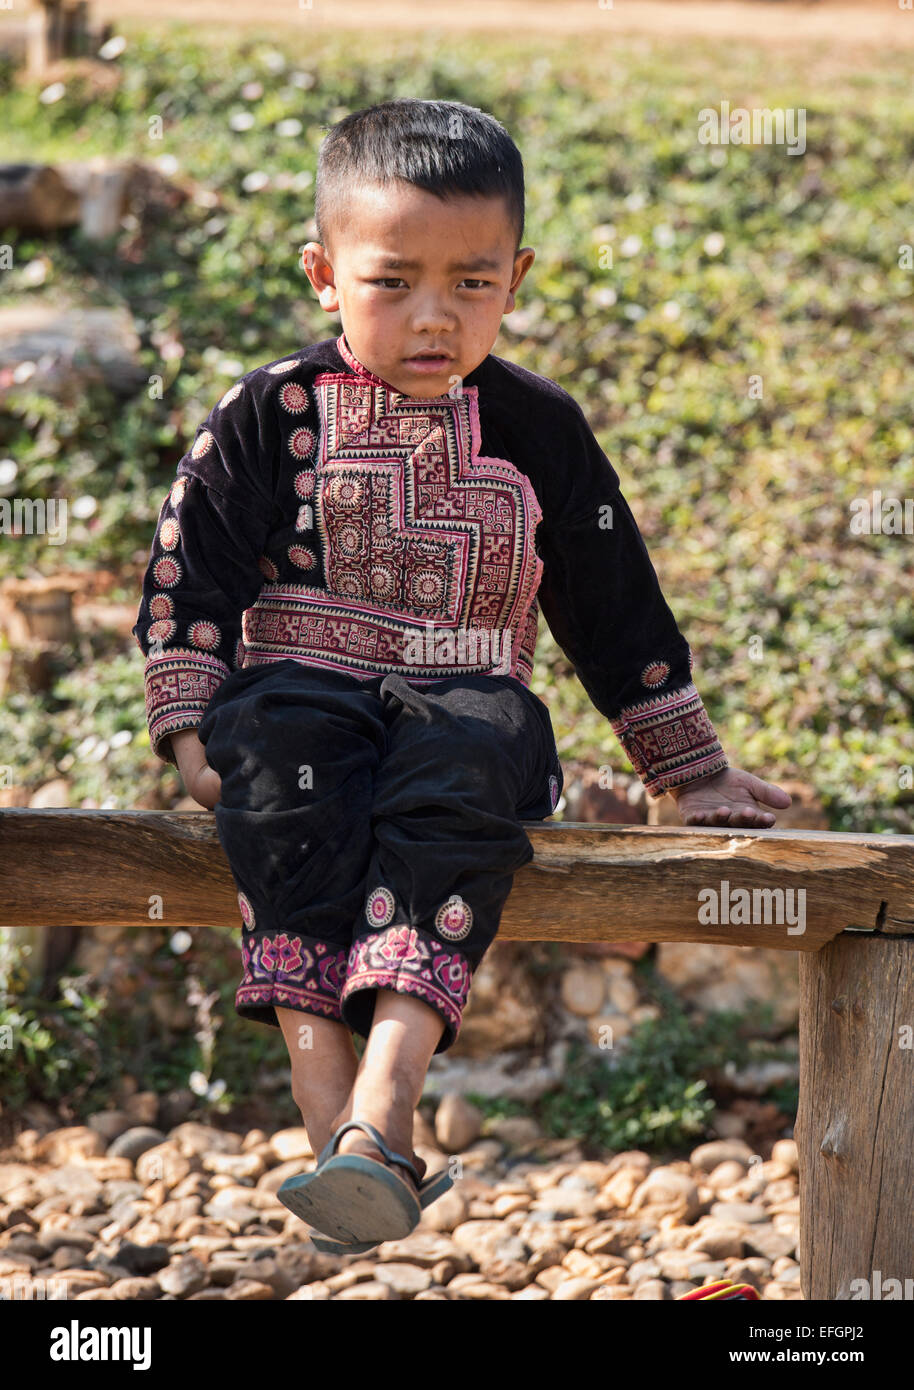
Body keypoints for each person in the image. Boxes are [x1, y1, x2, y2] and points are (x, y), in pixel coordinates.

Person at [132, 97, 791, 1249]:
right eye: (391, 282)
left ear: (514, 279)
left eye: (470, 283)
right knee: (278, 769)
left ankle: (383, 1108)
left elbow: (612, 605)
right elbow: (189, 573)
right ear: (324, 275)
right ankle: (332, 1119)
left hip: (470, 700)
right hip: (294, 692)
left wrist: (690, 771)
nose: (433, 316)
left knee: (466, 766)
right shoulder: (269, 412)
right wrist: (191, 739)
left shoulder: (539, 429)